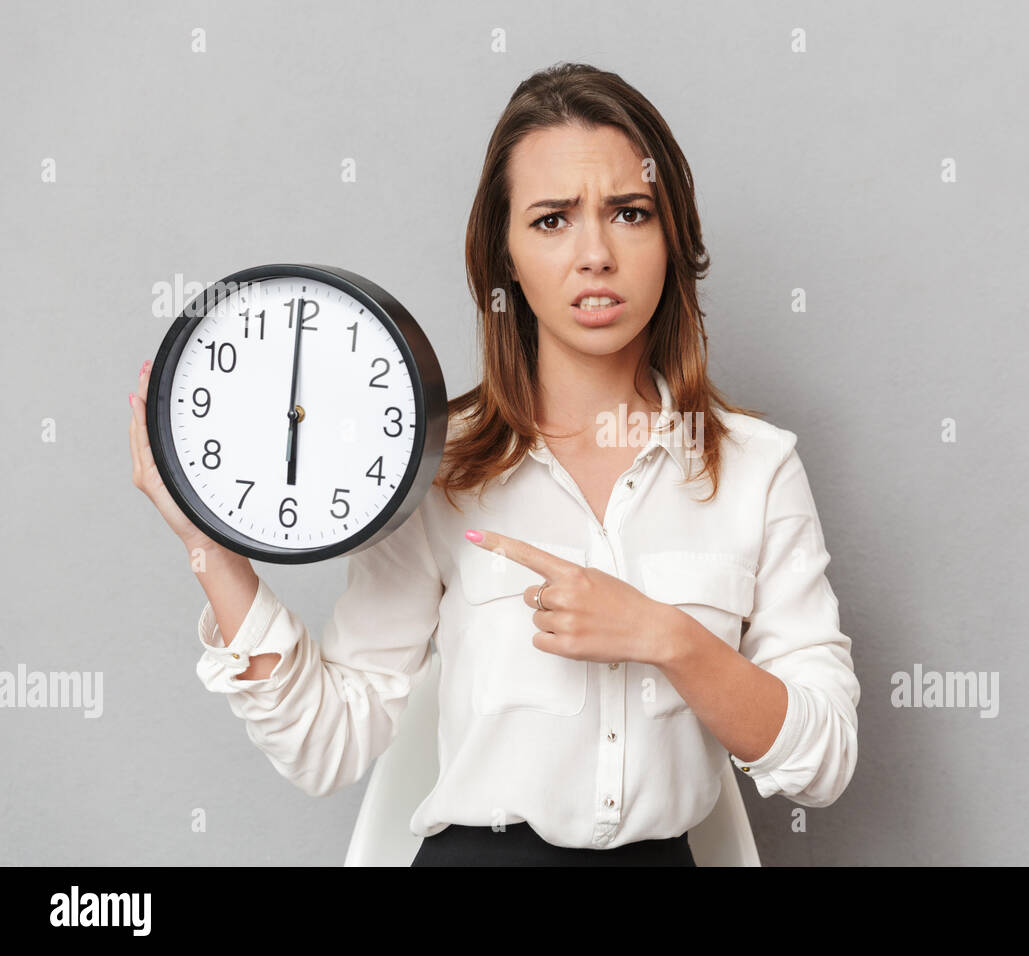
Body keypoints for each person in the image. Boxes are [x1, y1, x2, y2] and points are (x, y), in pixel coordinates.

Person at [126, 62, 860, 866]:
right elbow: (326, 743)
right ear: (504, 253)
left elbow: (823, 763)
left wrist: (665, 636)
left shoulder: (757, 468)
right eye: (552, 220)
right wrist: (212, 549)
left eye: (630, 212)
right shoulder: (439, 470)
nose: (595, 254)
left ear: (671, 235)